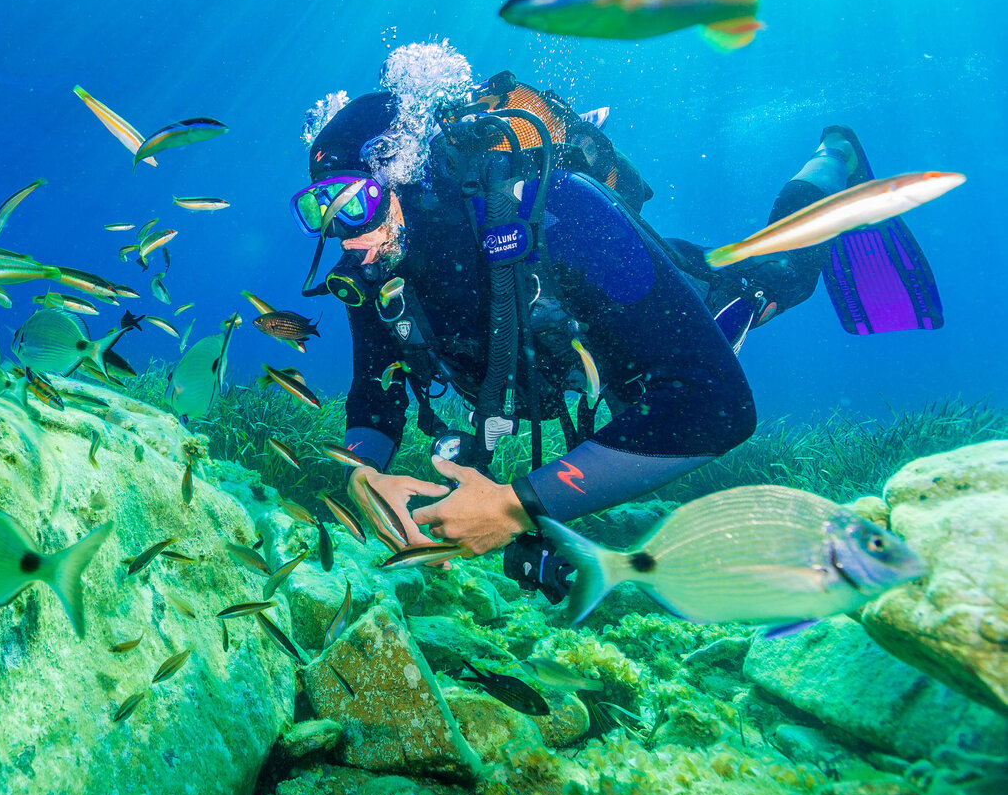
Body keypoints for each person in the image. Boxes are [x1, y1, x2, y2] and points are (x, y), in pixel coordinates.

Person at [289, 67, 941, 598]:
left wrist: (516, 505)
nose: (347, 234)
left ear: (413, 177)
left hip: (668, 297)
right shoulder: (377, 265)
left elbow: (715, 406)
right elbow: (376, 392)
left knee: (782, 271)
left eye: (355, 201)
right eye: (321, 208)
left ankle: (832, 161)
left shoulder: (563, 210)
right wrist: (362, 477)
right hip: (573, 354)